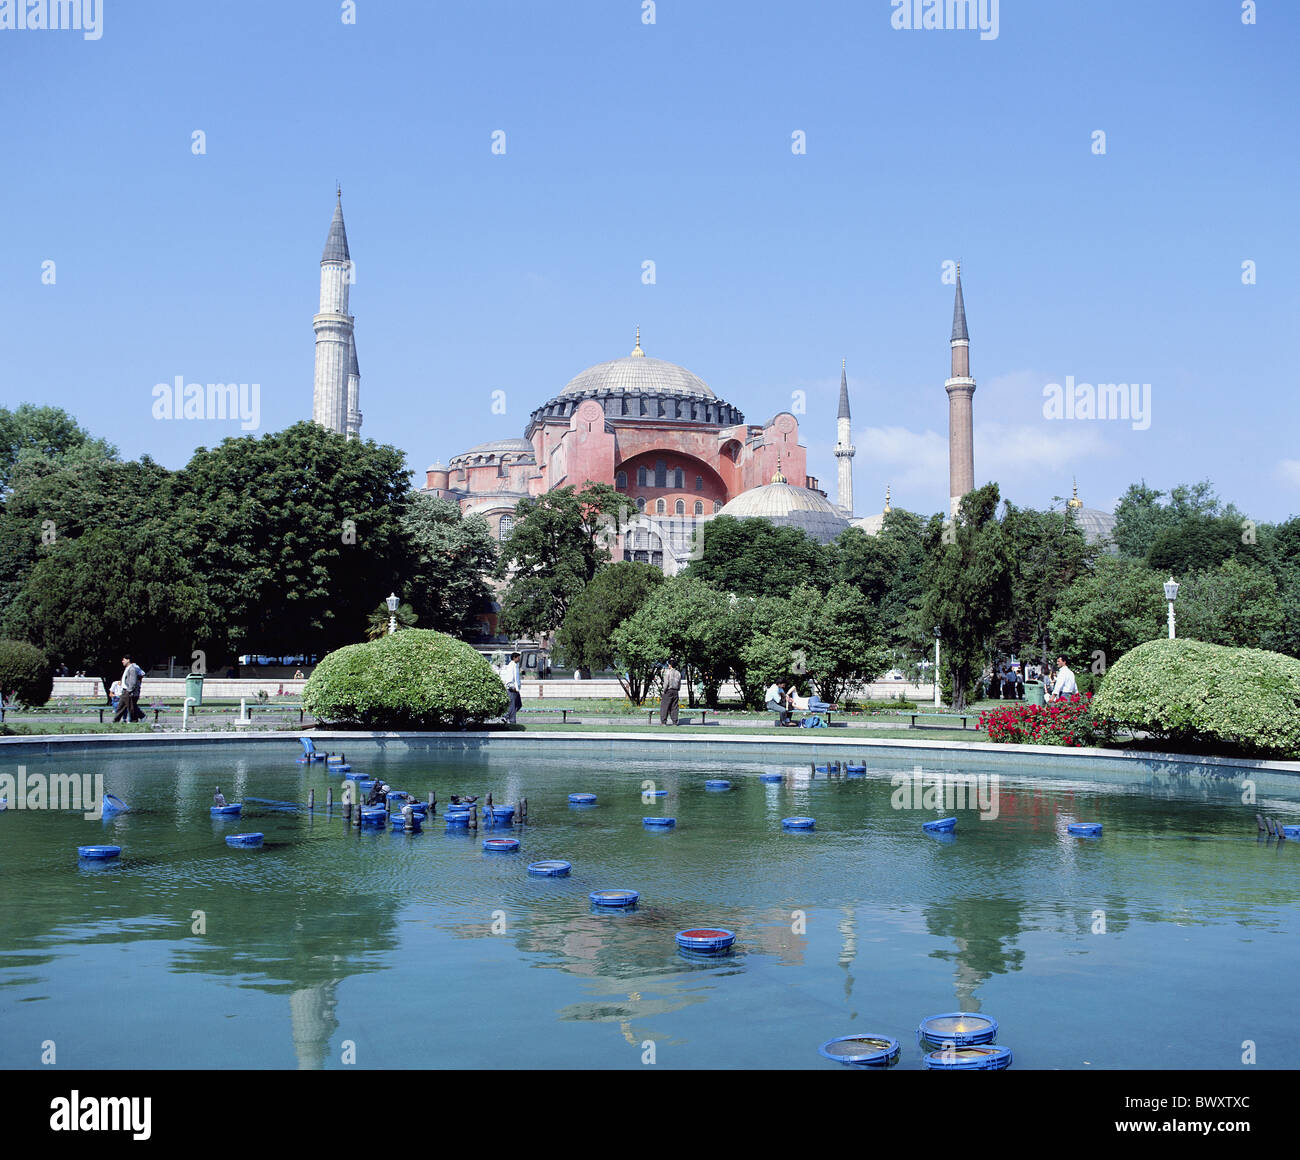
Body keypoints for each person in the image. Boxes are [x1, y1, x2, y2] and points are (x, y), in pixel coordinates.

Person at [113, 655, 144, 724]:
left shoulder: (132, 669)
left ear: (128, 660)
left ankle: (134, 720)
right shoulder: (127, 668)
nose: (122, 661)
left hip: (128, 691)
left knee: (131, 707)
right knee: (120, 707)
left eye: (123, 660)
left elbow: (132, 681)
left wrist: (129, 691)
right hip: (124, 691)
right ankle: (115, 721)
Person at [500, 652, 522, 724]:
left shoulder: (515, 665)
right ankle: (511, 720)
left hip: (516, 689)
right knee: (512, 706)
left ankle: (506, 716)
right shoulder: (511, 666)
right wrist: (512, 687)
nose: (519, 659)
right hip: (512, 689)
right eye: (518, 657)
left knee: (518, 704)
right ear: (514, 658)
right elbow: (510, 677)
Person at [659, 658, 682, 726]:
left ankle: (663, 722)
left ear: (670, 665)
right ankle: (675, 722)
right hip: (675, 691)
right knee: (674, 706)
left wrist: (664, 690)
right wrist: (678, 689)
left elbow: (666, 683)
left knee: (664, 706)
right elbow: (679, 683)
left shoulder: (667, 672)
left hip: (668, 690)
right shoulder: (678, 673)